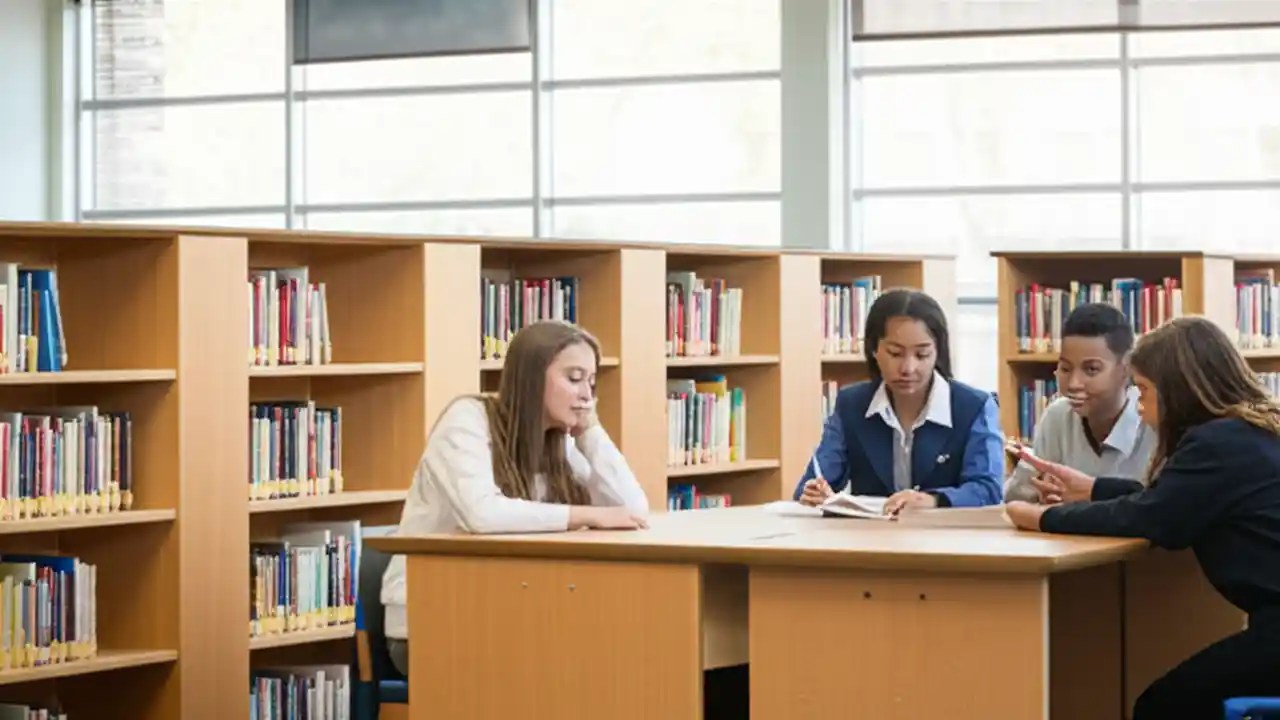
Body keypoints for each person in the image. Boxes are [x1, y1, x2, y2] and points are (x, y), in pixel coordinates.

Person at [1006, 316, 1280, 719]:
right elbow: (1172, 500)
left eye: (1145, 391)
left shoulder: (1217, 442)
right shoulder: (1247, 431)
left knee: (1161, 706)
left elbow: (1152, 518)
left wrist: (1044, 519)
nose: (1140, 404)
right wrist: (1093, 489)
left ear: (1177, 392)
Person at [379, 320, 650, 676]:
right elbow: (482, 514)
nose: (587, 395)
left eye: (592, 382)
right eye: (574, 378)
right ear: (532, 377)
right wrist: (586, 515)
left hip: (511, 616)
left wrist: (590, 431)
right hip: (430, 624)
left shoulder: (558, 442)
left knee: (619, 657)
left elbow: (632, 509)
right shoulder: (467, 420)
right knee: (581, 671)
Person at [794, 288, 1004, 514]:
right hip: (870, 534)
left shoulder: (974, 406)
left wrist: (933, 500)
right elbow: (814, 482)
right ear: (874, 349)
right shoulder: (852, 404)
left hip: (944, 534)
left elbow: (988, 490)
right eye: (895, 353)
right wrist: (814, 493)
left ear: (937, 352)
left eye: (922, 355)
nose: (908, 368)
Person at [1004, 302, 1155, 503]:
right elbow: (1015, 498)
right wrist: (1039, 493)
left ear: (1126, 369)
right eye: (1065, 369)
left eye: (1091, 369)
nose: (1074, 384)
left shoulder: (1153, 418)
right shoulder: (1057, 416)